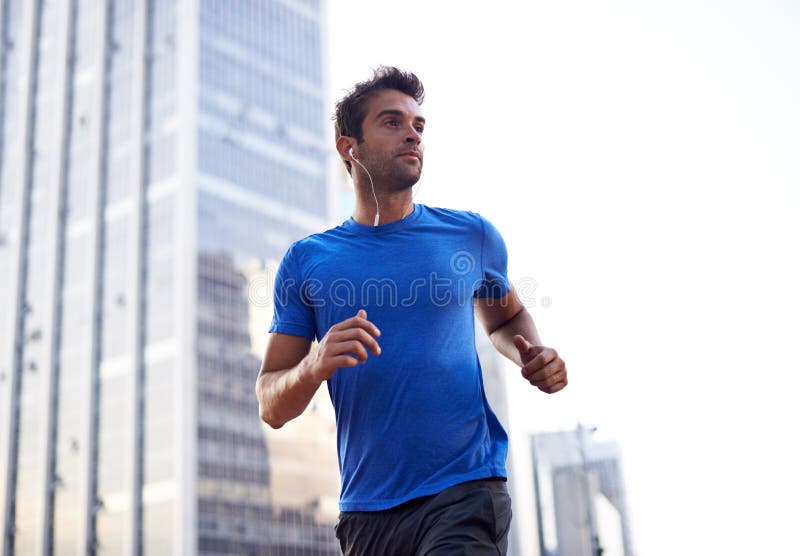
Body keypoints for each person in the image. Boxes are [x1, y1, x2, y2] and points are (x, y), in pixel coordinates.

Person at [255, 67, 568, 555]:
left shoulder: (471, 236)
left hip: (464, 490)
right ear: (349, 147)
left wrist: (532, 353)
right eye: (392, 121)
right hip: (366, 512)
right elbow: (271, 405)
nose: (412, 134)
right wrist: (315, 366)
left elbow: (506, 319)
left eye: (419, 125)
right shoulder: (306, 262)